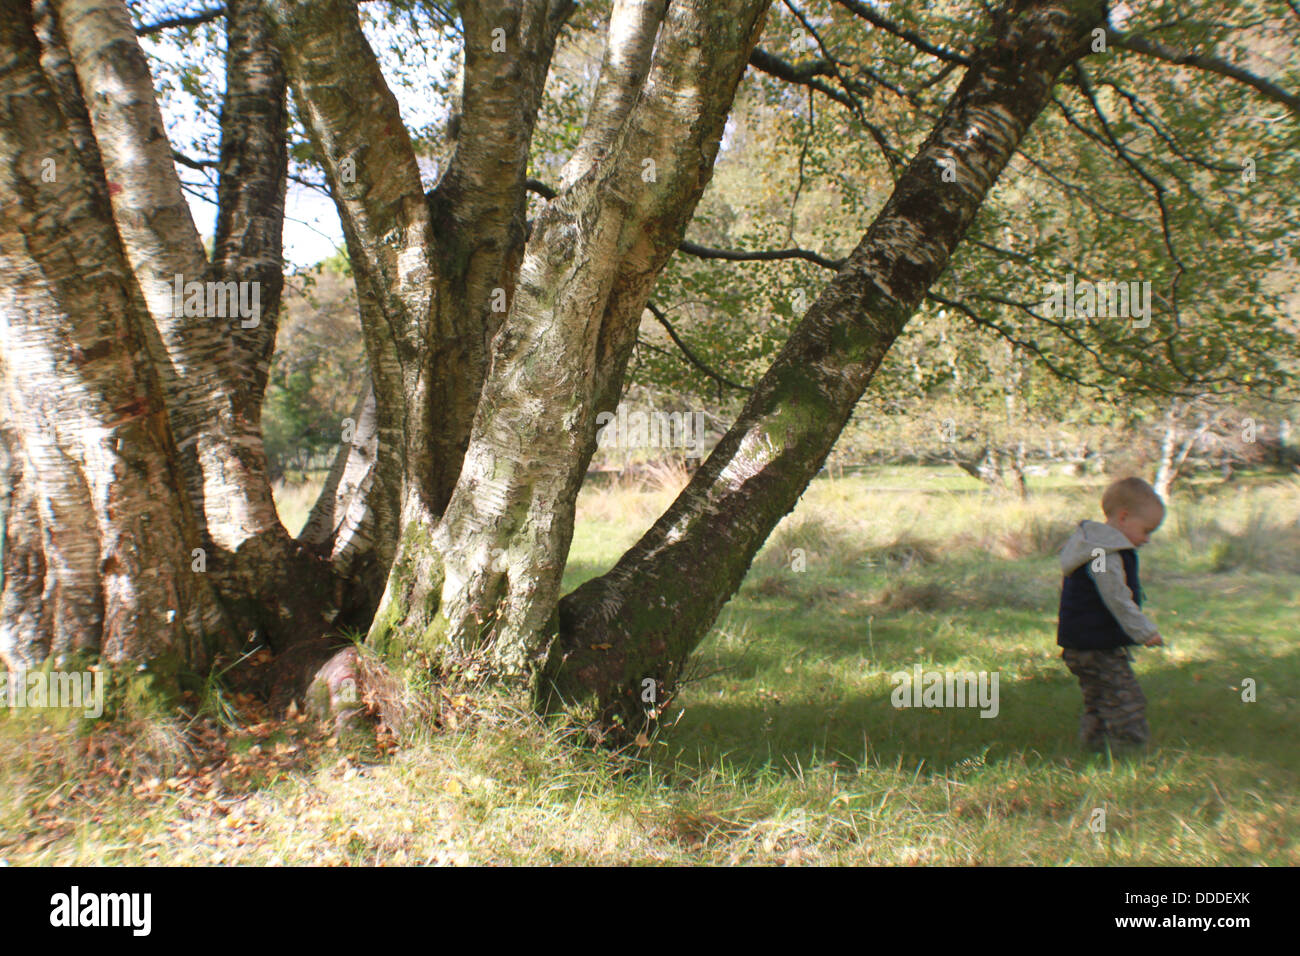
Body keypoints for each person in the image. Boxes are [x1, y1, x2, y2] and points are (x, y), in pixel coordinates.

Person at [1057, 476, 1165, 751]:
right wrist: (1145, 632)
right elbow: (1117, 598)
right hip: (1096, 645)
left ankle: (1094, 750)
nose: (1147, 539)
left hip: (1080, 643)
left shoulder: (1093, 546)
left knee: (1099, 700)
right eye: (1146, 530)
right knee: (1126, 702)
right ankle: (1129, 754)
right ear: (1124, 517)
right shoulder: (1104, 555)